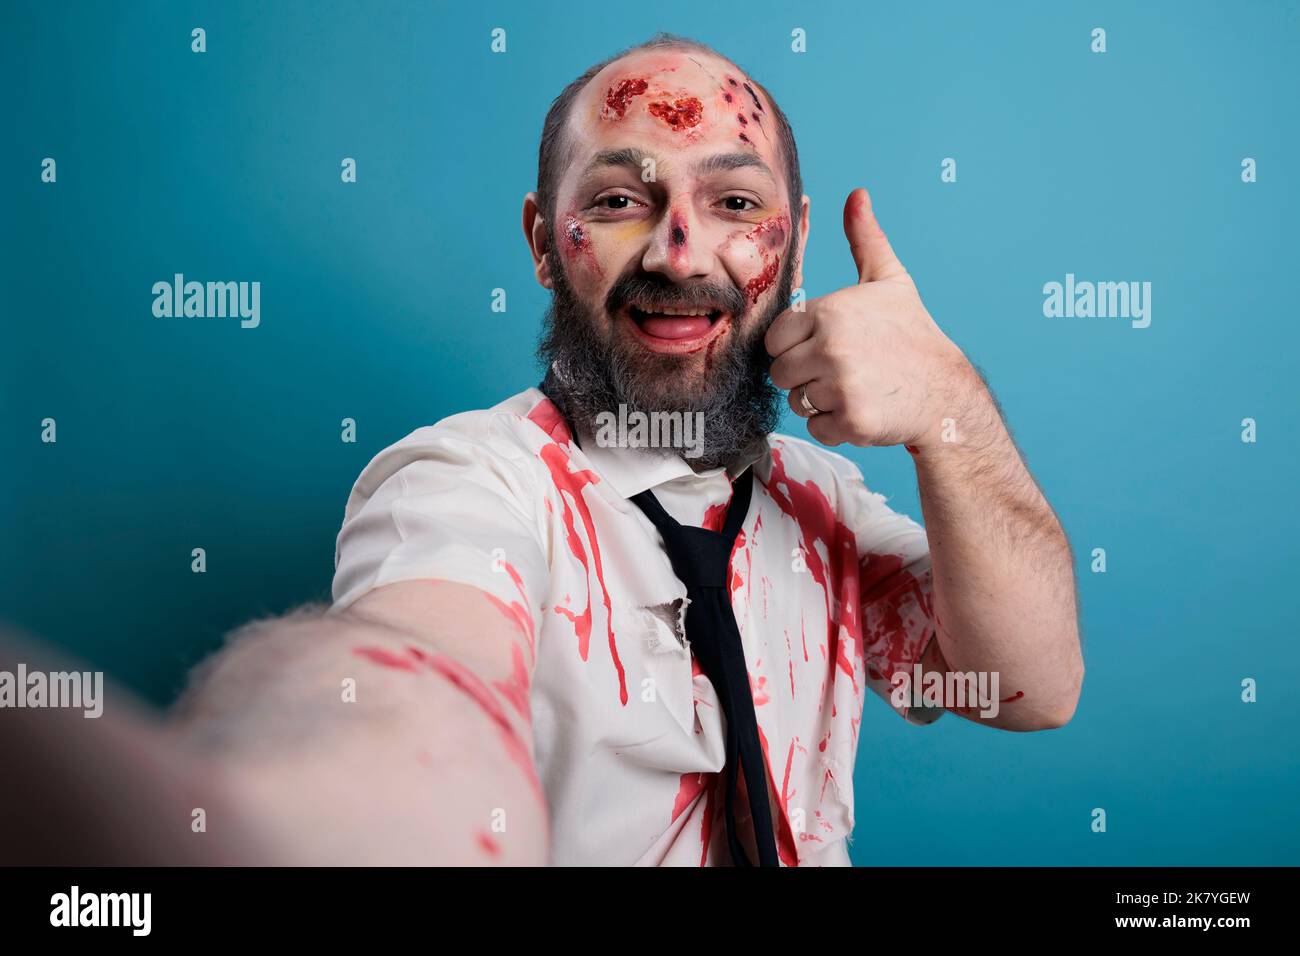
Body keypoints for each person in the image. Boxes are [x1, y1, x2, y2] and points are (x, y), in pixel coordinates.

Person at [0, 34, 1082, 867]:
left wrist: (951, 410)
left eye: (733, 202)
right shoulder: (465, 485)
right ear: (538, 241)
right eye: (619, 199)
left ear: (790, 243)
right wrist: (241, 819)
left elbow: (1032, 687)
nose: (676, 248)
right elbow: (421, 675)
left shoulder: (823, 501)